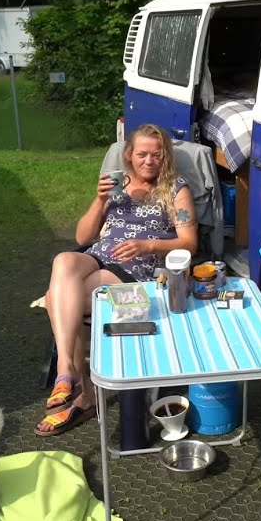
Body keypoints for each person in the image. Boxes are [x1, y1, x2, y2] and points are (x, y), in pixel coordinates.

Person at [34, 124, 198, 436]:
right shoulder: (116, 185)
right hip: (97, 255)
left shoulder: (177, 190)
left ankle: (78, 387)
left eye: (156, 155)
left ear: (165, 158)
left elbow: (189, 242)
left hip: (134, 269)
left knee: (57, 299)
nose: (149, 161)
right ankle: (70, 372)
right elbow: (82, 236)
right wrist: (100, 201)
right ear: (128, 155)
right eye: (142, 154)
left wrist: (148, 244)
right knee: (64, 260)